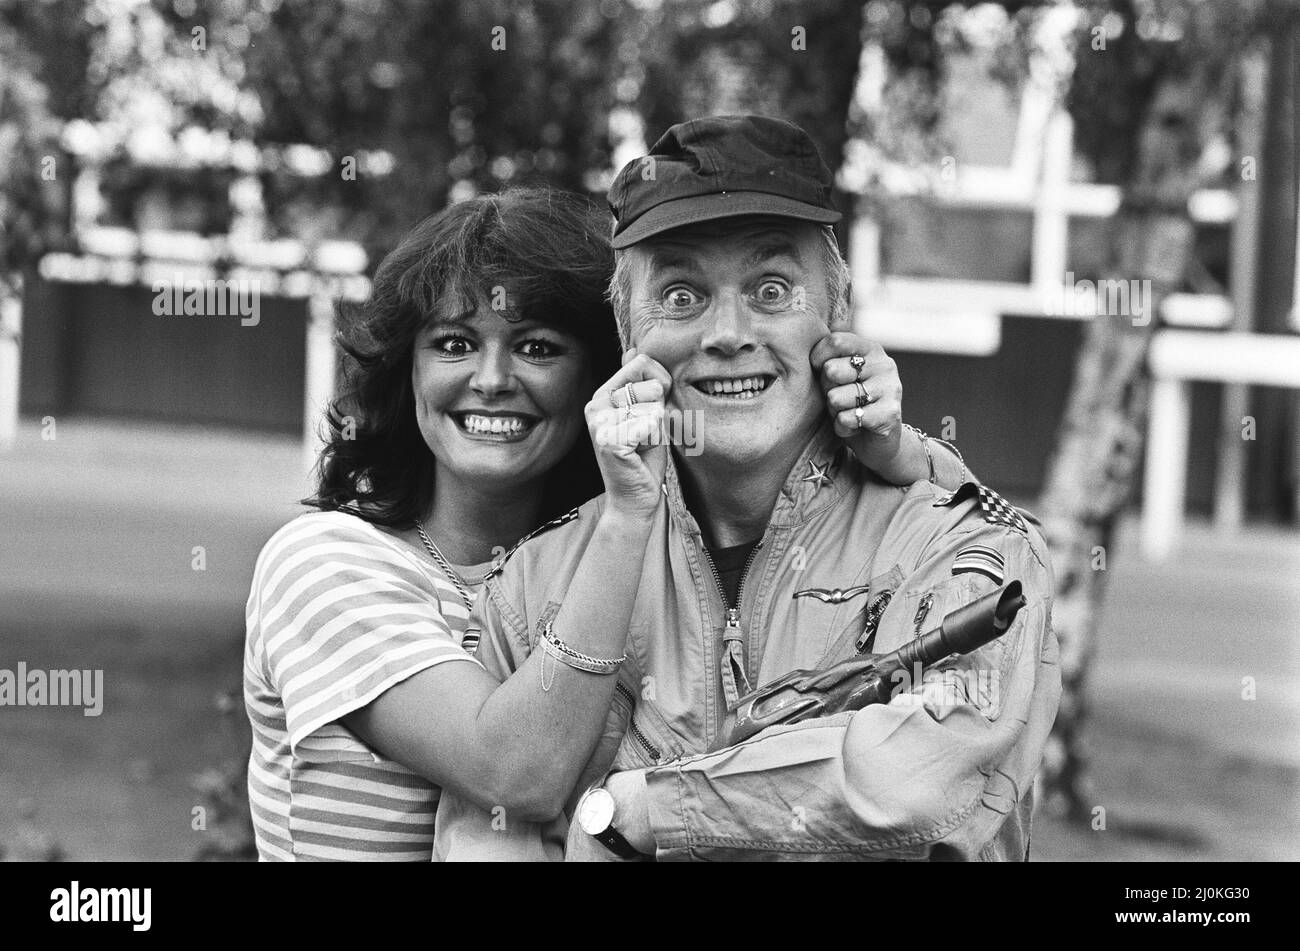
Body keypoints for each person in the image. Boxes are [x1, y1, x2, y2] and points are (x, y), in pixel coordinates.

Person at [242, 183, 967, 861]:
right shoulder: (327, 564)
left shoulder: (611, 562)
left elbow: (983, 549)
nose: (492, 379)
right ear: (407, 369)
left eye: (537, 347)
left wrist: (891, 441)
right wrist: (626, 516)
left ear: (604, 376)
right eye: (454, 343)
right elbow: (516, 774)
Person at [434, 116, 1061, 862]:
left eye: (771, 289)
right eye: (679, 296)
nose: (727, 331)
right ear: (627, 330)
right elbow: (485, 836)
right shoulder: (537, 582)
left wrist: (644, 811)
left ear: (834, 313)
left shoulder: (964, 549)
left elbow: (921, 779)